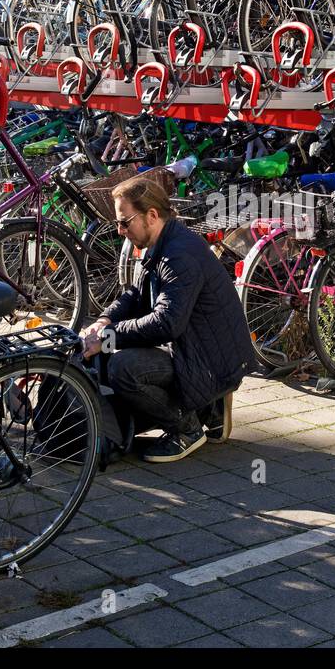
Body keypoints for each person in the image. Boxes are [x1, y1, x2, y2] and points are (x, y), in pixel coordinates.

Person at [80, 176, 255, 462]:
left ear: (151, 215)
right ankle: (211, 407)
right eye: (118, 224)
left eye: (125, 222)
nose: (121, 231)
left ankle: (186, 429)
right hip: (201, 349)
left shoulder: (178, 256)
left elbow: (166, 324)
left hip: (209, 360)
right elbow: (136, 295)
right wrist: (104, 321)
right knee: (114, 351)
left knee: (123, 368)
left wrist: (108, 338)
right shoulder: (164, 243)